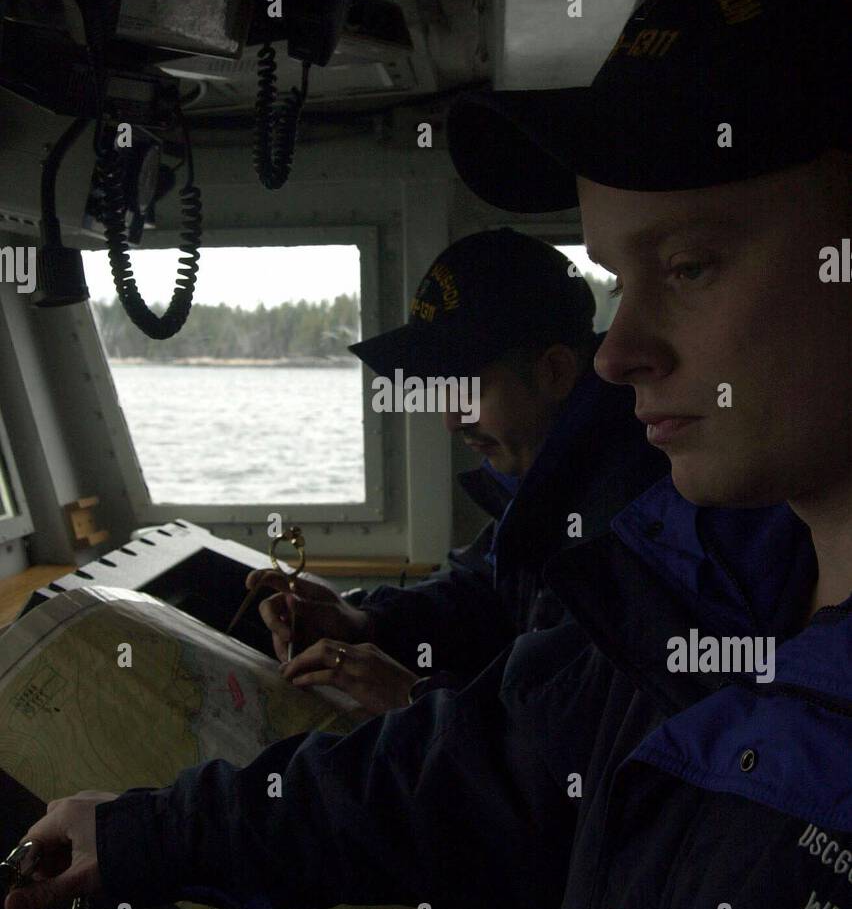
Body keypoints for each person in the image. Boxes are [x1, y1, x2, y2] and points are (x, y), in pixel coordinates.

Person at [6, 0, 851, 909]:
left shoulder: (653, 554)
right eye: (617, 278)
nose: (618, 352)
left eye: (691, 265)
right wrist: (141, 834)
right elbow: (467, 766)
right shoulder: (693, 584)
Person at [250, 228, 666, 713]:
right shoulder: (550, 478)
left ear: (554, 371)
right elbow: (486, 599)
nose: (451, 420)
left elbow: (567, 746)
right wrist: (363, 621)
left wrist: (412, 696)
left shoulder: (628, 513)